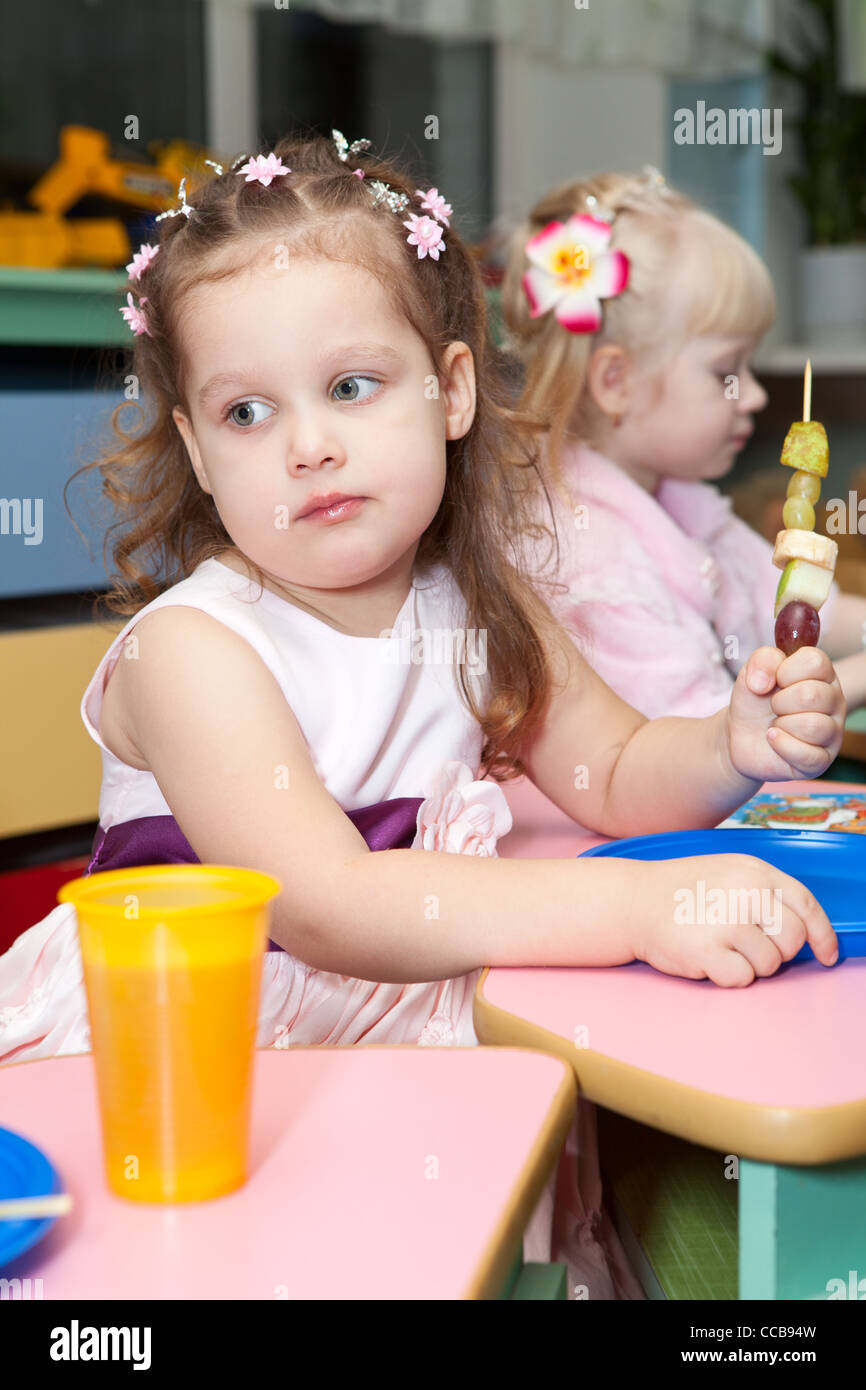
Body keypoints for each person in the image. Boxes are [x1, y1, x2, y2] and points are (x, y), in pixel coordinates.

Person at [0, 136, 844, 1300]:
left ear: (448, 391)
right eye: (246, 412)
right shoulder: (194, 651)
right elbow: (333, 907)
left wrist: (729, 748)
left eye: (351, 386)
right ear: (196, 448)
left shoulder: (477, 608)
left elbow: (616, 771)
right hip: (204, 1075)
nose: (308, 445)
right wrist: (639, 903)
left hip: (422, 1038)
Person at [500, 168, 866, 718]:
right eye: (727, 371)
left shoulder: (688, 510)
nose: (757, 396)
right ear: (615, 383)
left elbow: (813, 610)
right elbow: (708, 740)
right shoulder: (590, 558)